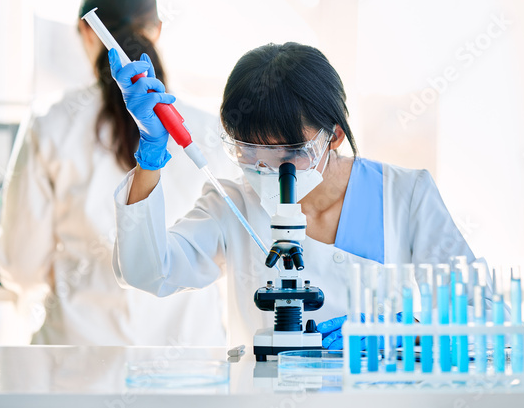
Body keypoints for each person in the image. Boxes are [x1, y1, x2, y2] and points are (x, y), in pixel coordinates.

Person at [109, 41, 481, 349]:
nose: (267, 170)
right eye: (248, 153)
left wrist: (403, 335)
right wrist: (151, 156)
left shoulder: (405, 194)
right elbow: (148, 271)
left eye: (287, 155)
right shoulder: (232, 204)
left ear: (332, 136)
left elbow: (484, 315)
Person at [0, 0, 234, 346]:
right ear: (157, 29)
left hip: (81, 361)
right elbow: (232, 253)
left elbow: (21, 263)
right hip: (189, 367)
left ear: (88, 32)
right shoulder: (209, 132)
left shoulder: (51, 125)